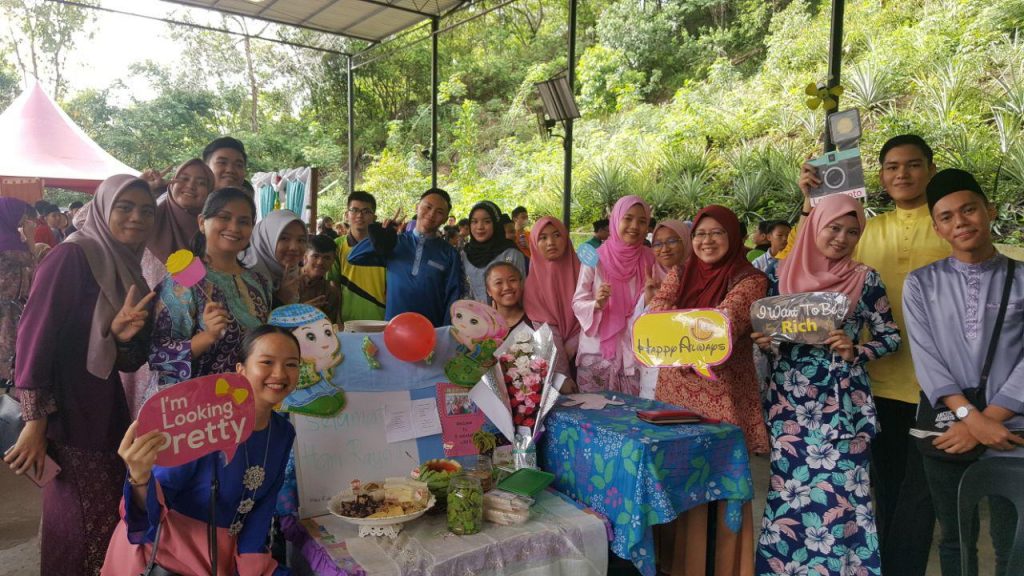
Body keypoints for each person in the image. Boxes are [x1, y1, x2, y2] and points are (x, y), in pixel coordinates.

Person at [796, 134, 947, 574]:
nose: (902, 174)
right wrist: (809, 204)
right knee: (886, 488)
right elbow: (811, 270)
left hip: (940, 386)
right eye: (892, 167)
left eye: (913, 165)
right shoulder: (866, 229)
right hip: (874, 383)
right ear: (880, 176)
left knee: (922, 495)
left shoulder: (948, 223)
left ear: (931, 170)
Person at [4, 175, 157, 576]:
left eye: (146, 210)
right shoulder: (71, 257)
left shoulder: (129, 267)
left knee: (104, 519)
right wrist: (35, 422)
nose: (137, 217)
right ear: (103, 210)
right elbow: (35, 339)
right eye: (125, 207)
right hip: (67, 420)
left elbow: (127, 361)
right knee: (78, 523)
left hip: (105, 412)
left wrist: (120, 337)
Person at [752, 194, 901, 575]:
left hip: (842, 408)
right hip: (790, 407)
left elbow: (890, 336)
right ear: (815, 227)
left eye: (852, 232)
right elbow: (771, 336)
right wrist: (767, 344)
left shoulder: (865, 278)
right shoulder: (779, 275)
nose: (841, 238)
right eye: (834, 228)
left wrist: (857, 350)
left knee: (844, 500)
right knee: (790, 497)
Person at [903, 169, 1024, 576]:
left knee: (1014, 541)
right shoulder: (921, 284)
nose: (960, 222)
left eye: (969, 209)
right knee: (955, 538)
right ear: (937, 228)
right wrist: (970, 418)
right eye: (947, 216)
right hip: (948, 428)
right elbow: (928, 361)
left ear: (989, 210)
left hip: (1013, 430)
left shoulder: (1022, 278)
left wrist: (988, 421)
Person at [101, 326, 298, 575]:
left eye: (291, 364)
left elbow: (262, 509)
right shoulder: (205, 422)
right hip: (165, 557)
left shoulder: (282, 433)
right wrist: (139, 477)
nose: (280, 373)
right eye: (267, 362)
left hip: (221, 558)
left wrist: (252, 567)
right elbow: (152, 509)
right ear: (241, 370)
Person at [149, 187, 271, 387]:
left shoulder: (260, 282)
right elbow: (159, 354)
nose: (234, 227)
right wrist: (208, 336)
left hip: (250, 396)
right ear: (201, 223)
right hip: (199, 400)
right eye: (224, 217)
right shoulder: (182, 281)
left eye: (244, 221)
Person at [572, 195, 654, 394]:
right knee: (594, 408)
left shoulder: (649, 258)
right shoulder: (596, 258)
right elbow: (578, 301)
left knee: (633, 410)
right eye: (628, 218)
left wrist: (649, 300)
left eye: (642, 221)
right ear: (616, 219)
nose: (634, 226)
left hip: (634, 353)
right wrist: (596, 304)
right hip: (597, 351)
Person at [348, 188, 462, 327]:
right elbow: (354, 257)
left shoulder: (450, 254)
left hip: (431, 330)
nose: (431, 214)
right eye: (428, 207)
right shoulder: (394, 242)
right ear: (417, 207)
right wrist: (379, 236)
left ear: (445, 219)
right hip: (393, 328)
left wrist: (446, 332)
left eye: (439, 212)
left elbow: (453, 297)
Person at [486, 261, 574, 390]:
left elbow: (558, 368)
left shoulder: (537, 321)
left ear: (522, 284)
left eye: (512, 280)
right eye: (498, 283)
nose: (507, 287)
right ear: (489, 290)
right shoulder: (484, 329)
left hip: (537, 394)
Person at [634, 219, 691, 399]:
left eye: (672, 241)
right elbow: (636, 331)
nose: (664, 249)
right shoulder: (651, 278)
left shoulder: (698, 279)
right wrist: (648, 300)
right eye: (657, 244)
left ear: (686, 241)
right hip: (653, 375)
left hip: (688, 376)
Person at [524, 216, 582, 370]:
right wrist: (561, 366)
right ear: (534, 243)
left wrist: (574, 343)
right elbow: (545, 330)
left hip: (587, 355)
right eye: (543, 238)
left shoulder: (585, 275)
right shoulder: (532, 286)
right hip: (552, 364)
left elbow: (594, 316)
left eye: (557, 235)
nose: (551, 242)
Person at [327, 191, 387, 323]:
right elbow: (334, 286)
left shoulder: (383, 246)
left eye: (366, 211)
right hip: (348, 321)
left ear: (374, 217)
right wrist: (337, 319)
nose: (360, 215)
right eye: (354, 210)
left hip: (381, 320)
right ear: (346, 215)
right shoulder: (337, 246)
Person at [0, 199, 36, 386]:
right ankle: (7, 379)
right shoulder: (6, 242)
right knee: (8, 341)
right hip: (7, 303)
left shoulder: (10, 236)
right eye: (21, 214)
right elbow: (32, 261)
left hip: (12, 301)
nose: (24, 218)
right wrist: (30, 237)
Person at [462, 201, 527, 303]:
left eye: (487, 221)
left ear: (496, 224)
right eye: (474, 222)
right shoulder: (465, 254)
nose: (480, 227)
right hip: (473, 312)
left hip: (507, 312)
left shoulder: (511, 253)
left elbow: (521, 292)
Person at [247, 209, 308, 307]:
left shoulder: (292, 272)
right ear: (266, 240)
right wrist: (281, 299)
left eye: (301, 240)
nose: (294, 247)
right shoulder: (245, 275)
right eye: (284, 238)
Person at [298, 234, 340, 321]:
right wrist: (301, 310)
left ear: (332, 262)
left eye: (327, 258)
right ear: (305, 257)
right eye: (315, 256)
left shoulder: (330, 293)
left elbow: (329, 325)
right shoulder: (286, 281)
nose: (320, 262)